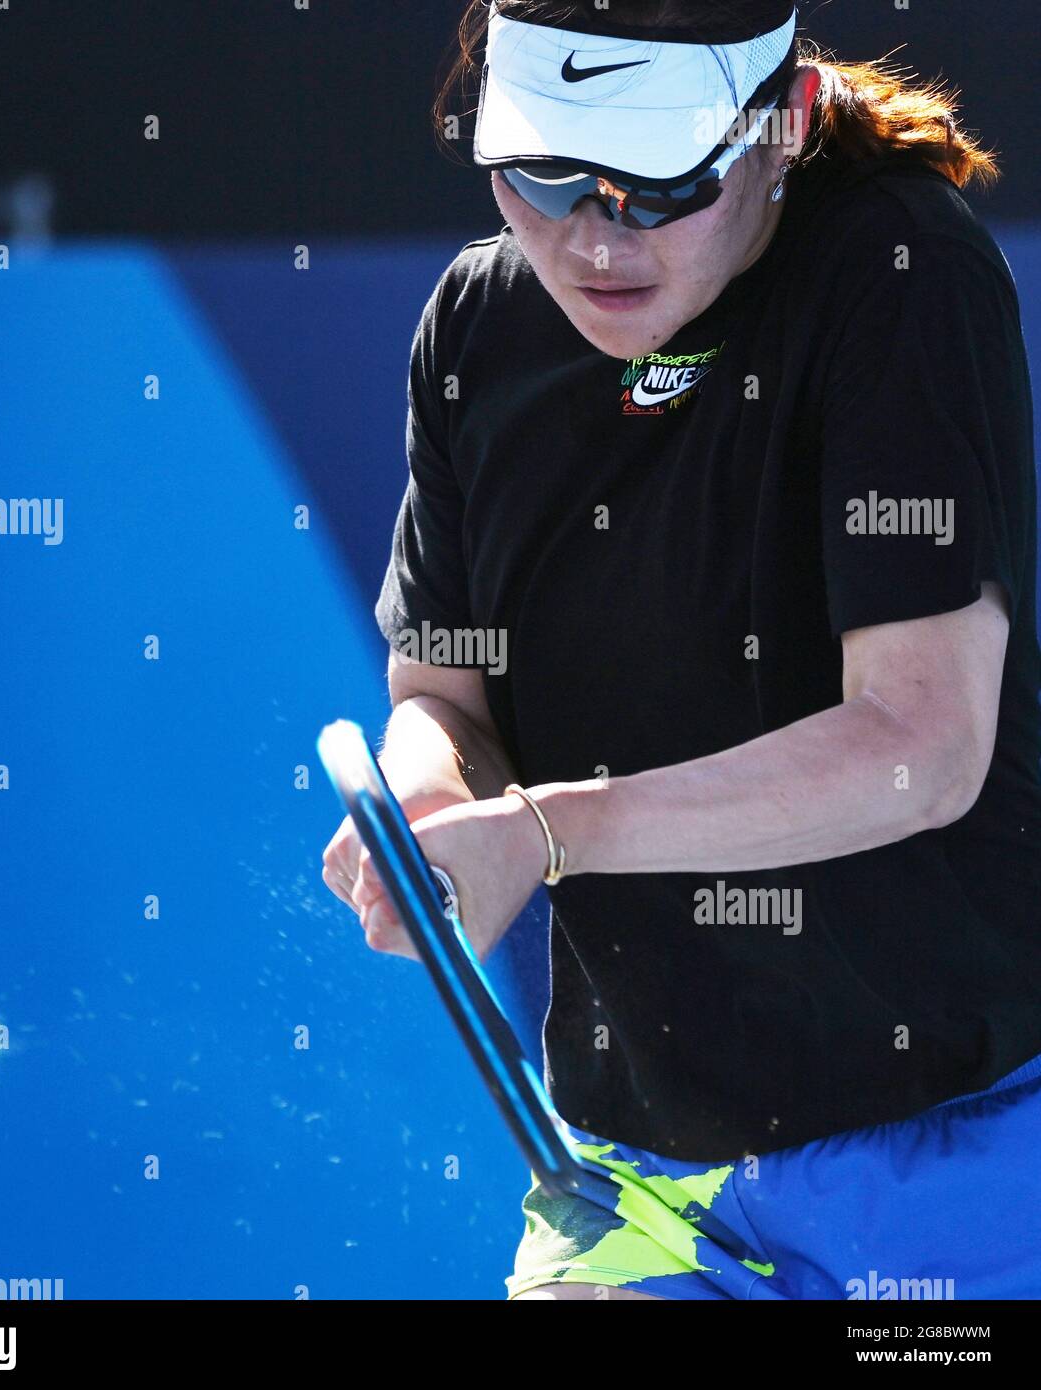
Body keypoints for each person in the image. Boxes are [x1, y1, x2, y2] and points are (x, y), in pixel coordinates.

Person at [322, 0, 1041, 1300]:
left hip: (968, 1166)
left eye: (659, 182)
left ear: (785, 126)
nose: (595, 239)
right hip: (636, 1183)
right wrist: (435, 810)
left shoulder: (905, 272)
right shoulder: (476, 324)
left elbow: (921, 748)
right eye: (545, 173)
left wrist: (545, 832)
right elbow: (444, 692)